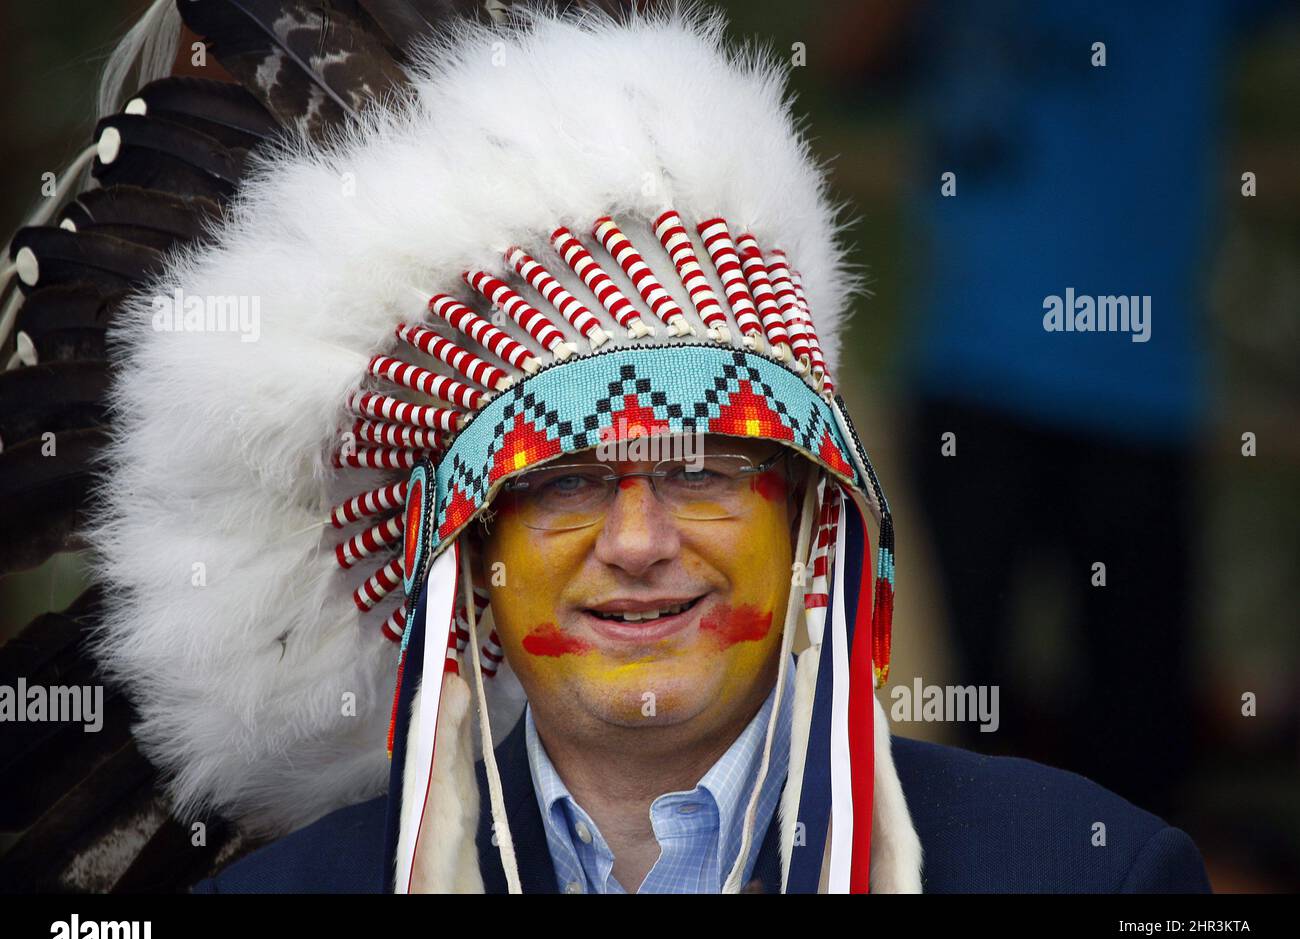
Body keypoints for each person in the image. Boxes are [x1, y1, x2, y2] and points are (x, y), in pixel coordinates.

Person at [1, 0, 1211, 893]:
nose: (637, 542)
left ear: (812, 515)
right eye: (561, 480)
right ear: (463, 559)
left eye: (703, 465)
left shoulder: (1086, 874)